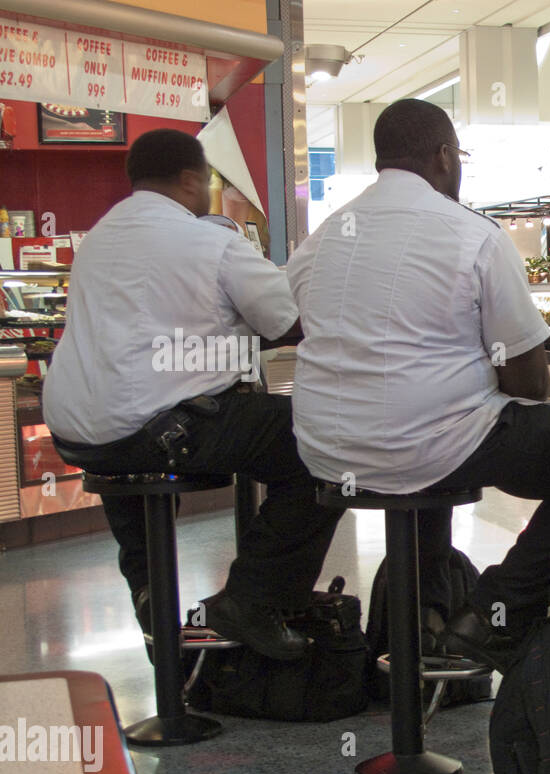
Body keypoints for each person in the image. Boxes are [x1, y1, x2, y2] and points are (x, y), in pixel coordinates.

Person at [286, 99, 550, 672]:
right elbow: (529, 383)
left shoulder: (321, 238)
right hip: (427, 446)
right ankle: (491, 615)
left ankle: (424, 619)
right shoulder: (472, 234)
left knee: (437, 427)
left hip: (325, 452)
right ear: (446, 155)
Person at [44, 129, 342, 660]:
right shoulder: (211, 239)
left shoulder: (99, 237)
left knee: (124, 433)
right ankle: (255, 597)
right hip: (159, 429)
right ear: (190, 179)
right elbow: (290, 320)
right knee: (325, 442)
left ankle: (148, 591)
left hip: (75, 434)